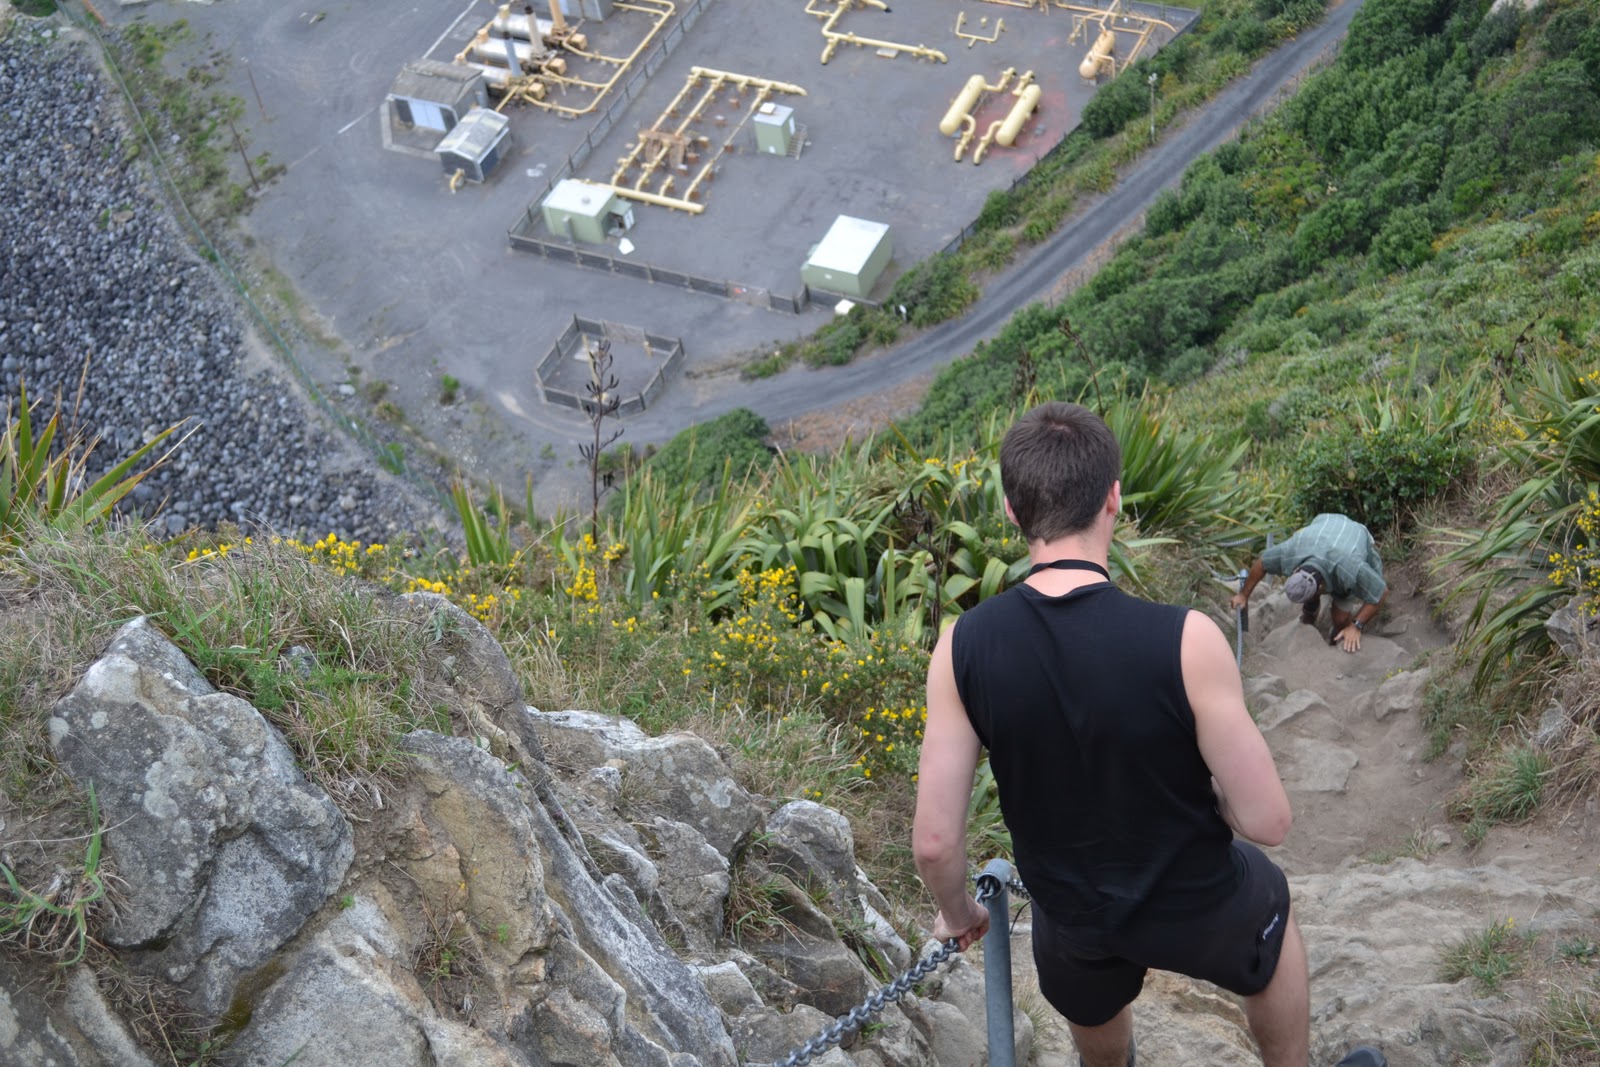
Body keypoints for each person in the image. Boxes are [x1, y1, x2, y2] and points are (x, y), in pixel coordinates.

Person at [911, 402, 1384, 1067]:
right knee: (1271, 909)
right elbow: (1268, 820)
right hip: (1197, 900)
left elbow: (935, 843)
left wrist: (960, 915)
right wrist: (1210, 798)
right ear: (1113, 498)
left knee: (1091, 1003)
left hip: (1072, 920)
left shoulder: (960, 648)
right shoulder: (1186, 638)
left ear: (1013, 512)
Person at [1230, 513, 1389, 654]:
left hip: (1352, 537)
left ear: (1321, 588)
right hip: (1325, 523)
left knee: (1340, 619)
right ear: (1295, 570)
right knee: (1308, 594)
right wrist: (1243, 595)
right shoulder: (1292, 551)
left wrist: (1356, 626)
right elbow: (1262, 563)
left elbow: (1381, 592)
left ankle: (1336, 638)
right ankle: (1310, 612)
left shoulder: (1350, 568)